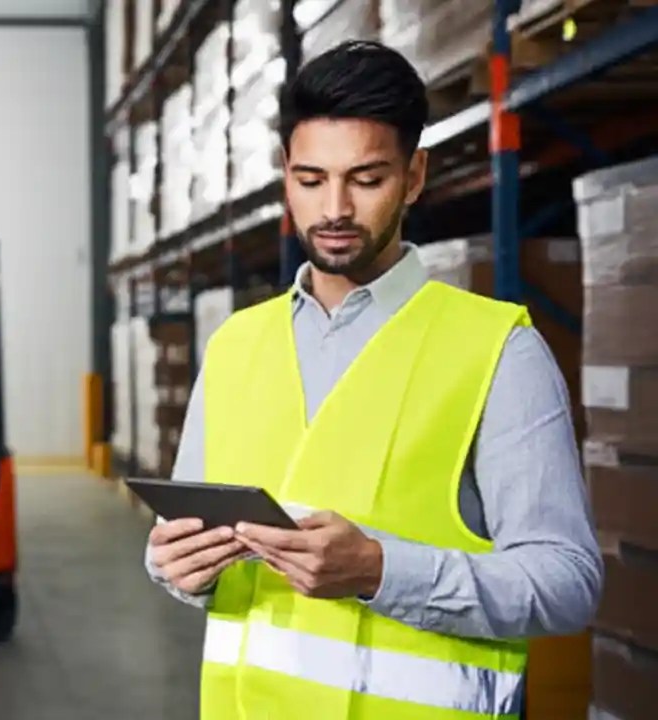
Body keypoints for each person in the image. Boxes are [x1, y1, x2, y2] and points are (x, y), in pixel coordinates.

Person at [143, 40, 602, 718]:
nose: (333, 208)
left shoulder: (498, 351)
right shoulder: (236, 344)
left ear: (414, 176)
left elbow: (567, 583)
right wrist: (174, 569)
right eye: (310, 178)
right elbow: (184, 547)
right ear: (285, 175)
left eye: (366, 179)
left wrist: (382, 572)